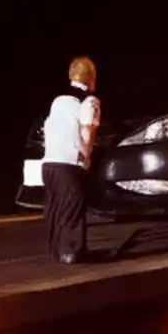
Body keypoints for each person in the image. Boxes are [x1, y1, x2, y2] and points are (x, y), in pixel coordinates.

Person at [41, 56, 101, 263]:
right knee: (73, 207)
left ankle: (56, 251)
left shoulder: (58, 101)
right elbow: (86, 133)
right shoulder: (89, 101)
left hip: (49, 164)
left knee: (55, 208)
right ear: (91, 78)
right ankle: (72, 252)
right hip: (69, 165)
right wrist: (87, 154)